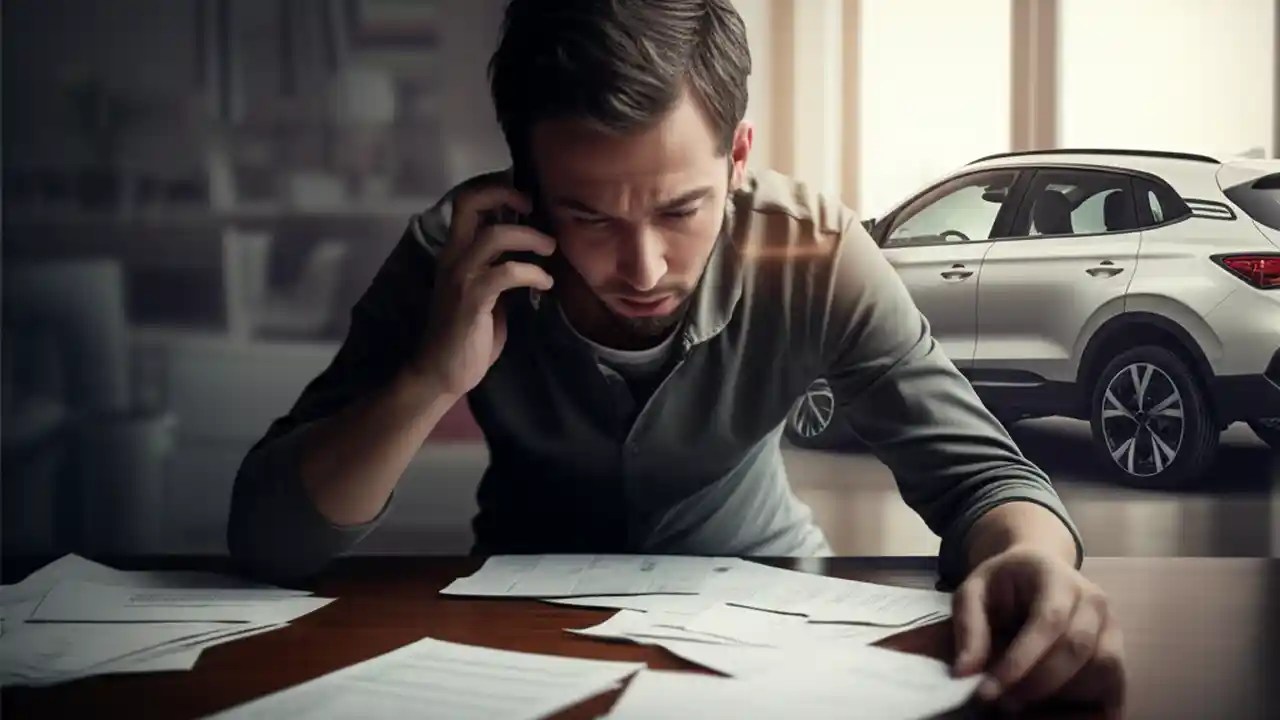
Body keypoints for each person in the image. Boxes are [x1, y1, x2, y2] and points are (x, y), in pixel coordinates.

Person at [228, 0, 1124, 714]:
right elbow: (271, 541)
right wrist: (431, 379)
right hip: (523, 633)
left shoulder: (814, 250)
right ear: (525, 186)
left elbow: (984, 479)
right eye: (588, 216)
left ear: (739, 157)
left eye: (680, 209)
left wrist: (1033, 558)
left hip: (774, 624)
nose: (644, 269)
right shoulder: (455, 257)